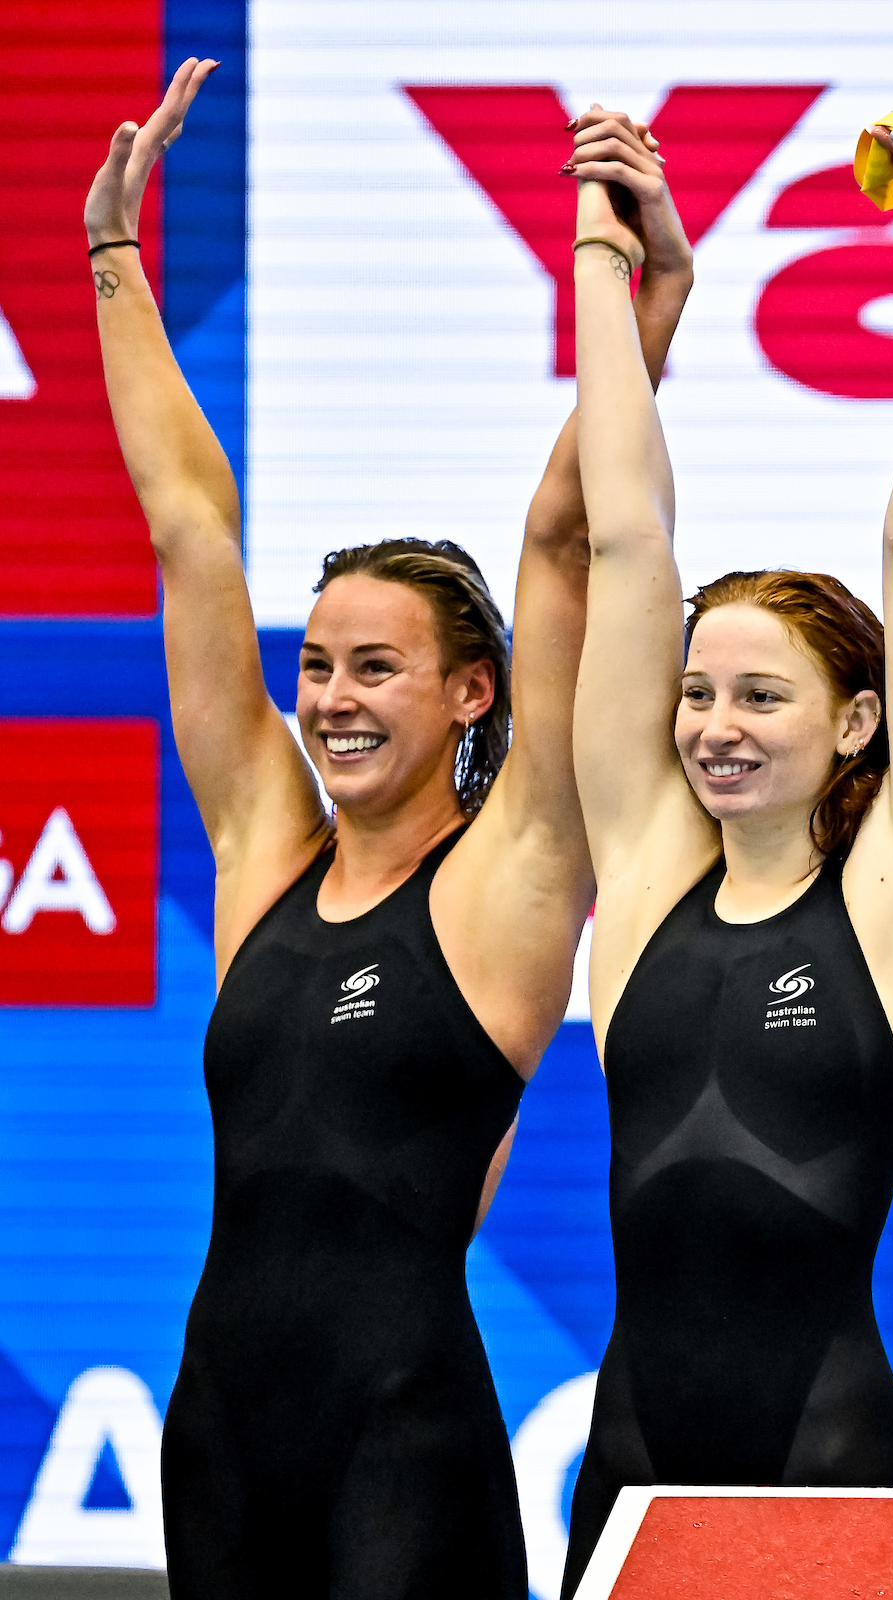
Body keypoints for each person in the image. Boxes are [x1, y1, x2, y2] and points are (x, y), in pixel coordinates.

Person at [87, 62, 686, 1596]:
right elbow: (188, 529)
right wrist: (113, 264)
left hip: (399, 1442)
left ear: (472, 690)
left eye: (377, 668)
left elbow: (565, 539)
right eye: (316, 665)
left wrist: (634, 289)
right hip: (216, 1425)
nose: (332, 700)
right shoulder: (262, 853)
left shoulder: (512, 874)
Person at [556, 92, 893, 1595]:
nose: (713, 726)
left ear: (859, 723)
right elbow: (623, 534)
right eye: (697, 692)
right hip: (621, 1479)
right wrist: (600, 263)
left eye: (762, 695)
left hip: (831, 1473)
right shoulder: (645, 872)